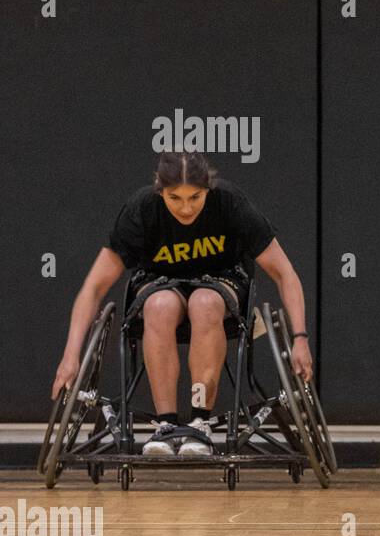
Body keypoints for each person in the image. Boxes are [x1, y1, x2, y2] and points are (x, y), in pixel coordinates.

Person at [51, 150, 312, 457]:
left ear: (208, 189)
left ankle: (199, 423)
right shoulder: (142, 209)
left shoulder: (229, 202)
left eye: (195, 197)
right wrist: (71, 356)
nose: (186, 208)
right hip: (160, 282)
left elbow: (285, 274)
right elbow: (93, 288)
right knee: (159, 306)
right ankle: (166, 425)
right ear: (159, 189)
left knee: (204, 302)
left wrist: (300, 338)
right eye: (175, 198)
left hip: (221, 281)